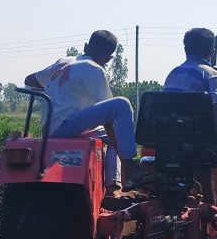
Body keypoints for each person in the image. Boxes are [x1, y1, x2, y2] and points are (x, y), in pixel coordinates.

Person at [24, 30, 136, 193]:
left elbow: (29, 80)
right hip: (67, 125)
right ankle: (122, 179)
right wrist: (118, 144)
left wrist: (52, 88)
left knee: (111, 135)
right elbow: (108, 118)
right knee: (122, 105)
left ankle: (116, 183)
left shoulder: (63, 61)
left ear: (85, 46)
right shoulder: (97, 70)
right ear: (109, 58)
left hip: (50, 128)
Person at [163, 27, 217, 163]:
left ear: (185, 50)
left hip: (170, 144)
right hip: (200, 146)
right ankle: (208, 183)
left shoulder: (172, 74)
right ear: (212, 51)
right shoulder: (212, 75)